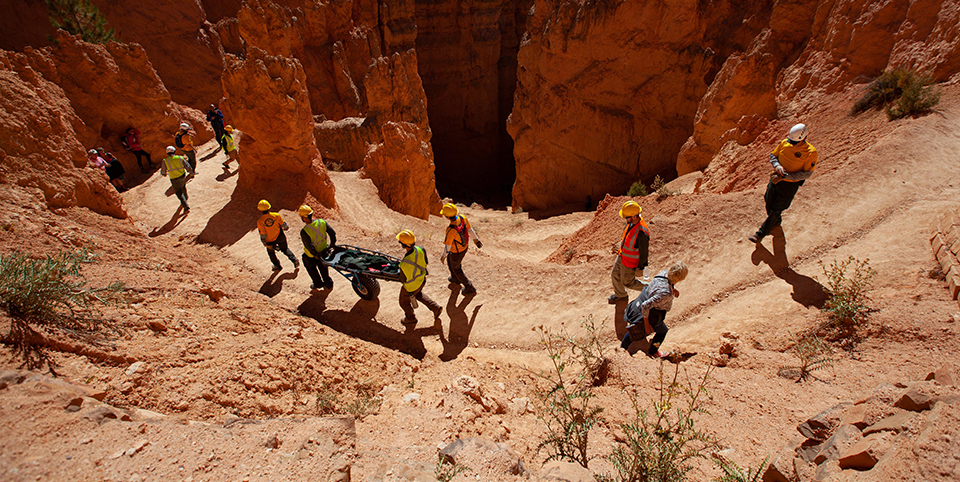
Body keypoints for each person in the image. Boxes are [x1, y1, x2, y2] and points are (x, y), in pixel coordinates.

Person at [748, 123, 818, 244]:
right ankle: (775, 222)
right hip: (776, 178)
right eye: (791, 141)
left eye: (794, 142)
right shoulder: (785, 143)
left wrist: (788, 176)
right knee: (768, 200)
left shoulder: (810, 152)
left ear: (804, 138)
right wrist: (777, 166)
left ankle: (761, 233)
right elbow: (773, 155)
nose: (791, 143)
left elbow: (807, 174)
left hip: (789, 185)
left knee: (777, 208)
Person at [620, 261, 688, 358]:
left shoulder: (664, 273)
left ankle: (622, 348)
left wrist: (673, 287)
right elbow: (645, 306)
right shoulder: (666, 294)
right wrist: (647, 325)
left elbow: (666, 282)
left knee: (634, 328)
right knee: (658, 331)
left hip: (640, 302)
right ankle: (652, 352)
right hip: (649, 312)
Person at [396, 229, 443, 325]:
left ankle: (411, 318)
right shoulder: (421, 249)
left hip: (410, 287)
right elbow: (426, 262)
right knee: (417, 294)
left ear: (403, 245)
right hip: (421, 280)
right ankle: (435, 308)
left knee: (403, 302)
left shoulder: (404, 263)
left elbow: (402, 279)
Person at [609, 200, 650, 304]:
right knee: (615, 274)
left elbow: (644, 252)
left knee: (628, 283)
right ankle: (621, 295)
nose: (625, 219)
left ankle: (652, 288)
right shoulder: (631, 223)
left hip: (630, 262)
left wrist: (641, 267)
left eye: (627, 217)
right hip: (622, 256)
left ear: (634, 216)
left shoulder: (642, 233)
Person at [440, 203, 482, 295]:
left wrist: (443, 256)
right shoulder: (463, 218)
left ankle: (469, 287)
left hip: (456, 252)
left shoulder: (451, 229)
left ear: (447, 217)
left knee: (457, 268)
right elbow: (470, 229)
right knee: (449, 260)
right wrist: (476, 240)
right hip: (464, 247)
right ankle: (454, 278)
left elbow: (448, 246)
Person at [298, 204, 336, 290]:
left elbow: (309, 246)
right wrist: (332, 244)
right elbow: (332, 233)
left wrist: (315, 254)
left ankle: (318, 284)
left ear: (303, 218)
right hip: (324, 251)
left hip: (312, 256)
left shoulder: (304, 231)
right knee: (323, 268)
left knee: (310, 267)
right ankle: (328, 283)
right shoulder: (322, 222)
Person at [257, 200, 300, 271]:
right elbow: (284, 225)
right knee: (285, 249)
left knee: (271, 253)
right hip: (280, 236)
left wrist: (265, 243)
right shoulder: (276, 215)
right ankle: (294, 260)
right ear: (269, 208)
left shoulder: (260, 221)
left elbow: (263, 234)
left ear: (260, 210)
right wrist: (286, 228)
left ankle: (277, 266)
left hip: (270, 240)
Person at [160, 145, 194, 212]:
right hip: (182, 176)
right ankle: (186, 197)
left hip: (173, 178)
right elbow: (187, 165)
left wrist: (164, 174)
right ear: (174, 151)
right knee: (183, 186)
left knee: (178, 192)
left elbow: (163, 171)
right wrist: (191, 172)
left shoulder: (165, 161)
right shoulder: (180, 158)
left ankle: (185, 205)